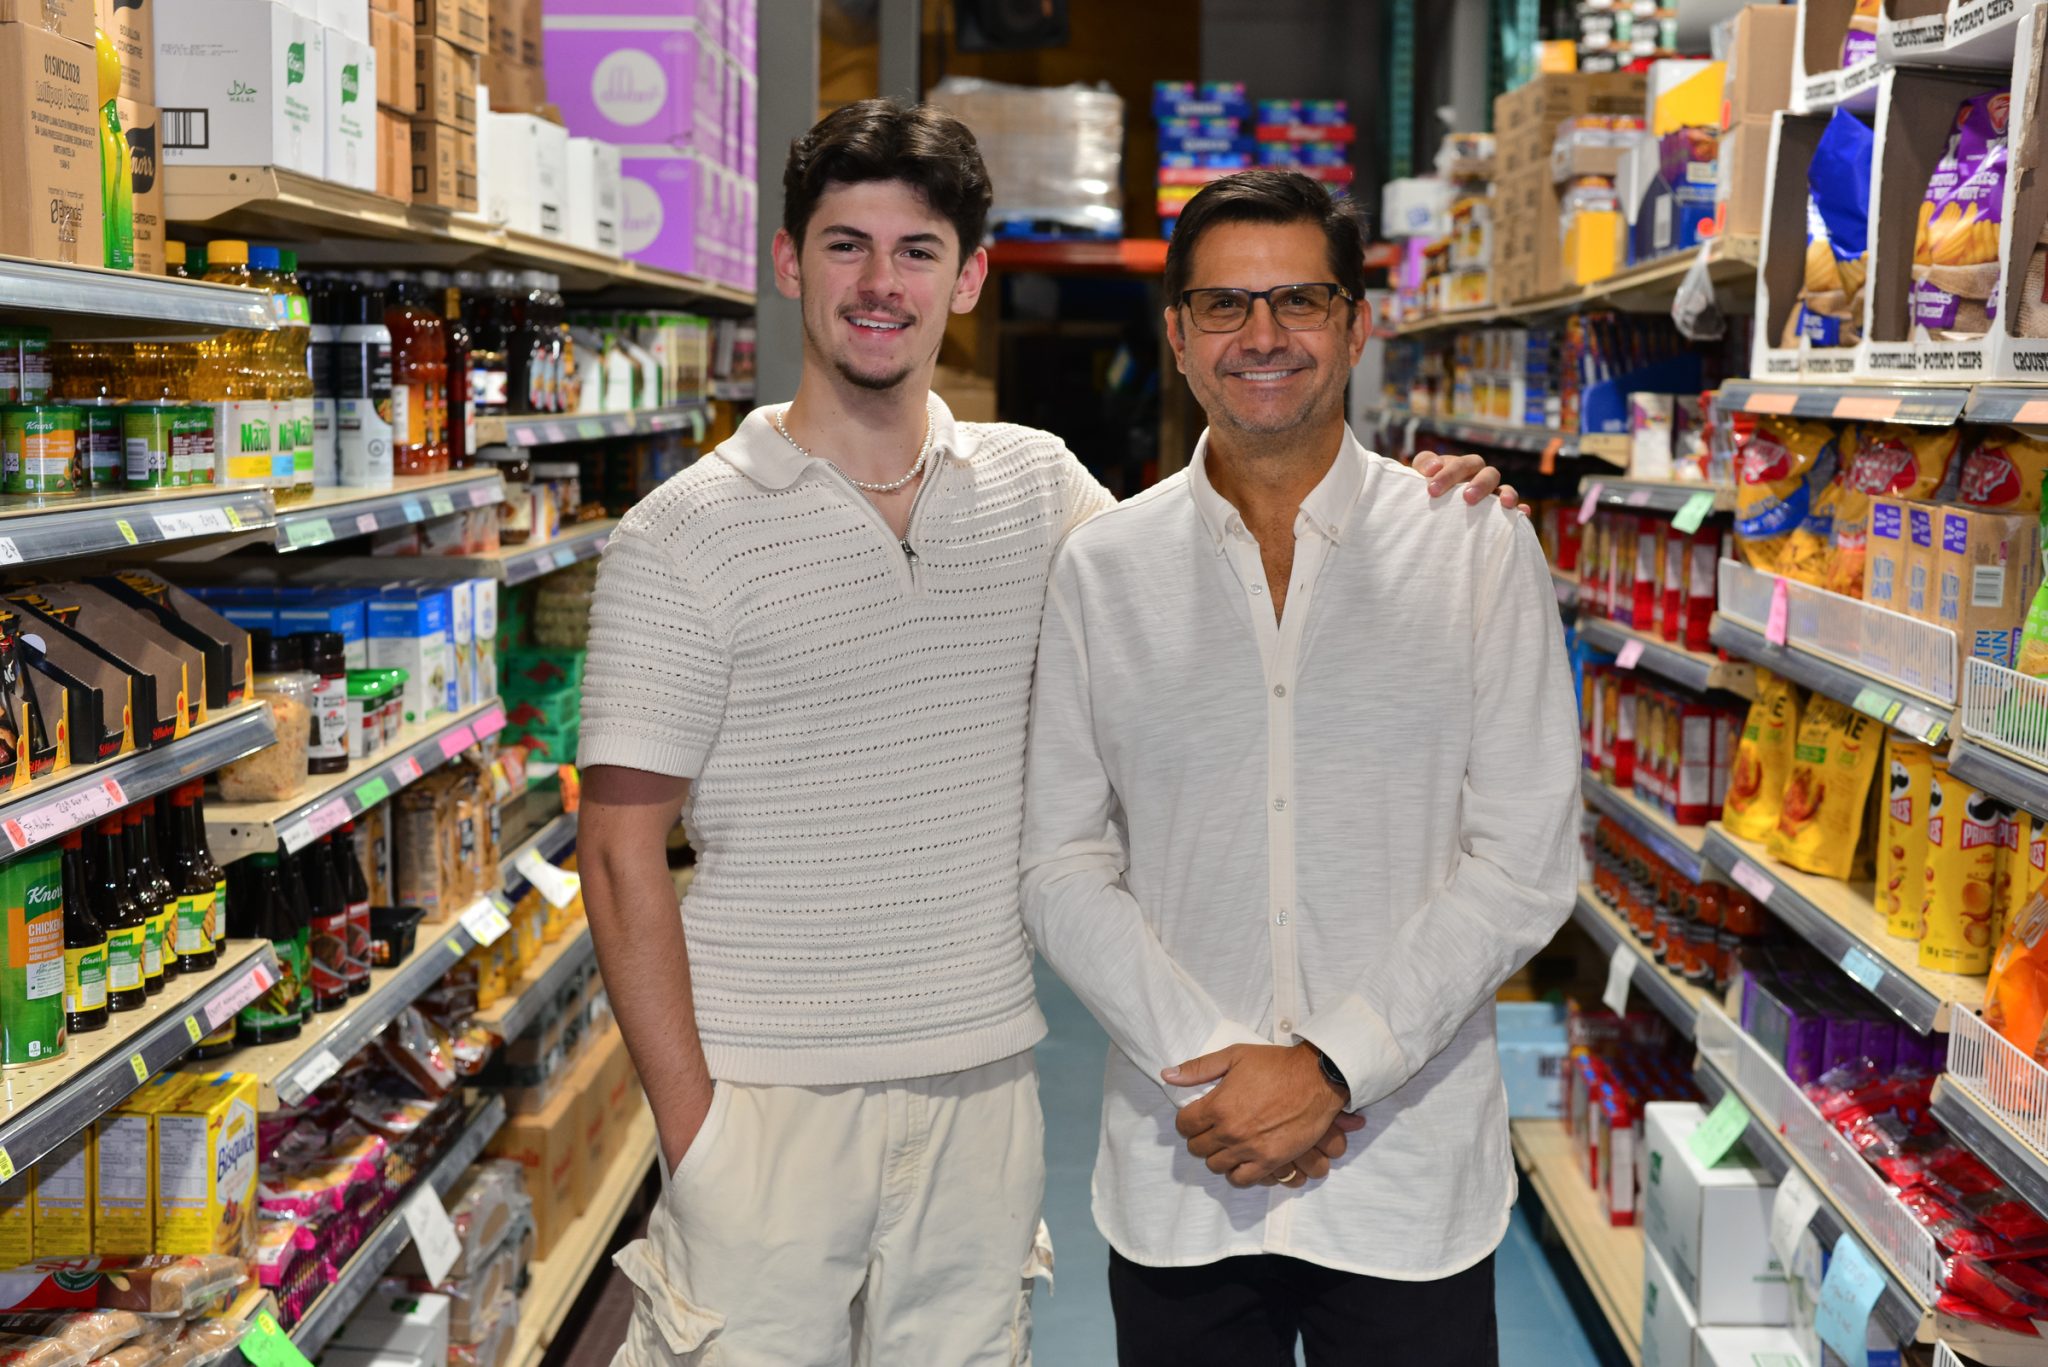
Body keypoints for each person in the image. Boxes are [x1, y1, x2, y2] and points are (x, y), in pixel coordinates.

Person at [576, 101, 1517, 1367]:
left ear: (967, 277)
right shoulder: (683, 534)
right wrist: (696, 1135)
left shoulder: (1040, 493)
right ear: (790, 262)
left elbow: (1211, 558)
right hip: (764, 1095)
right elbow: (618, 850)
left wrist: (1431, 495)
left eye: (917, 252)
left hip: (982, 1092)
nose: (878, 284)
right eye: (844, 245)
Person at [1019, 167, 1582, 1367]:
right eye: (1223, 306)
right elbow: (1061, 861)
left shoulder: (1471, 549)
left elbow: (1526, 857)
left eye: (1298, 301)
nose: (1260, 336)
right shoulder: (1102, 569)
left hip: (1405, 1179)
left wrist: (1333, 1064)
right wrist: (1221, 1077)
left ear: (1355, 323)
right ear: (1174, 334)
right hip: (1185, 1167)